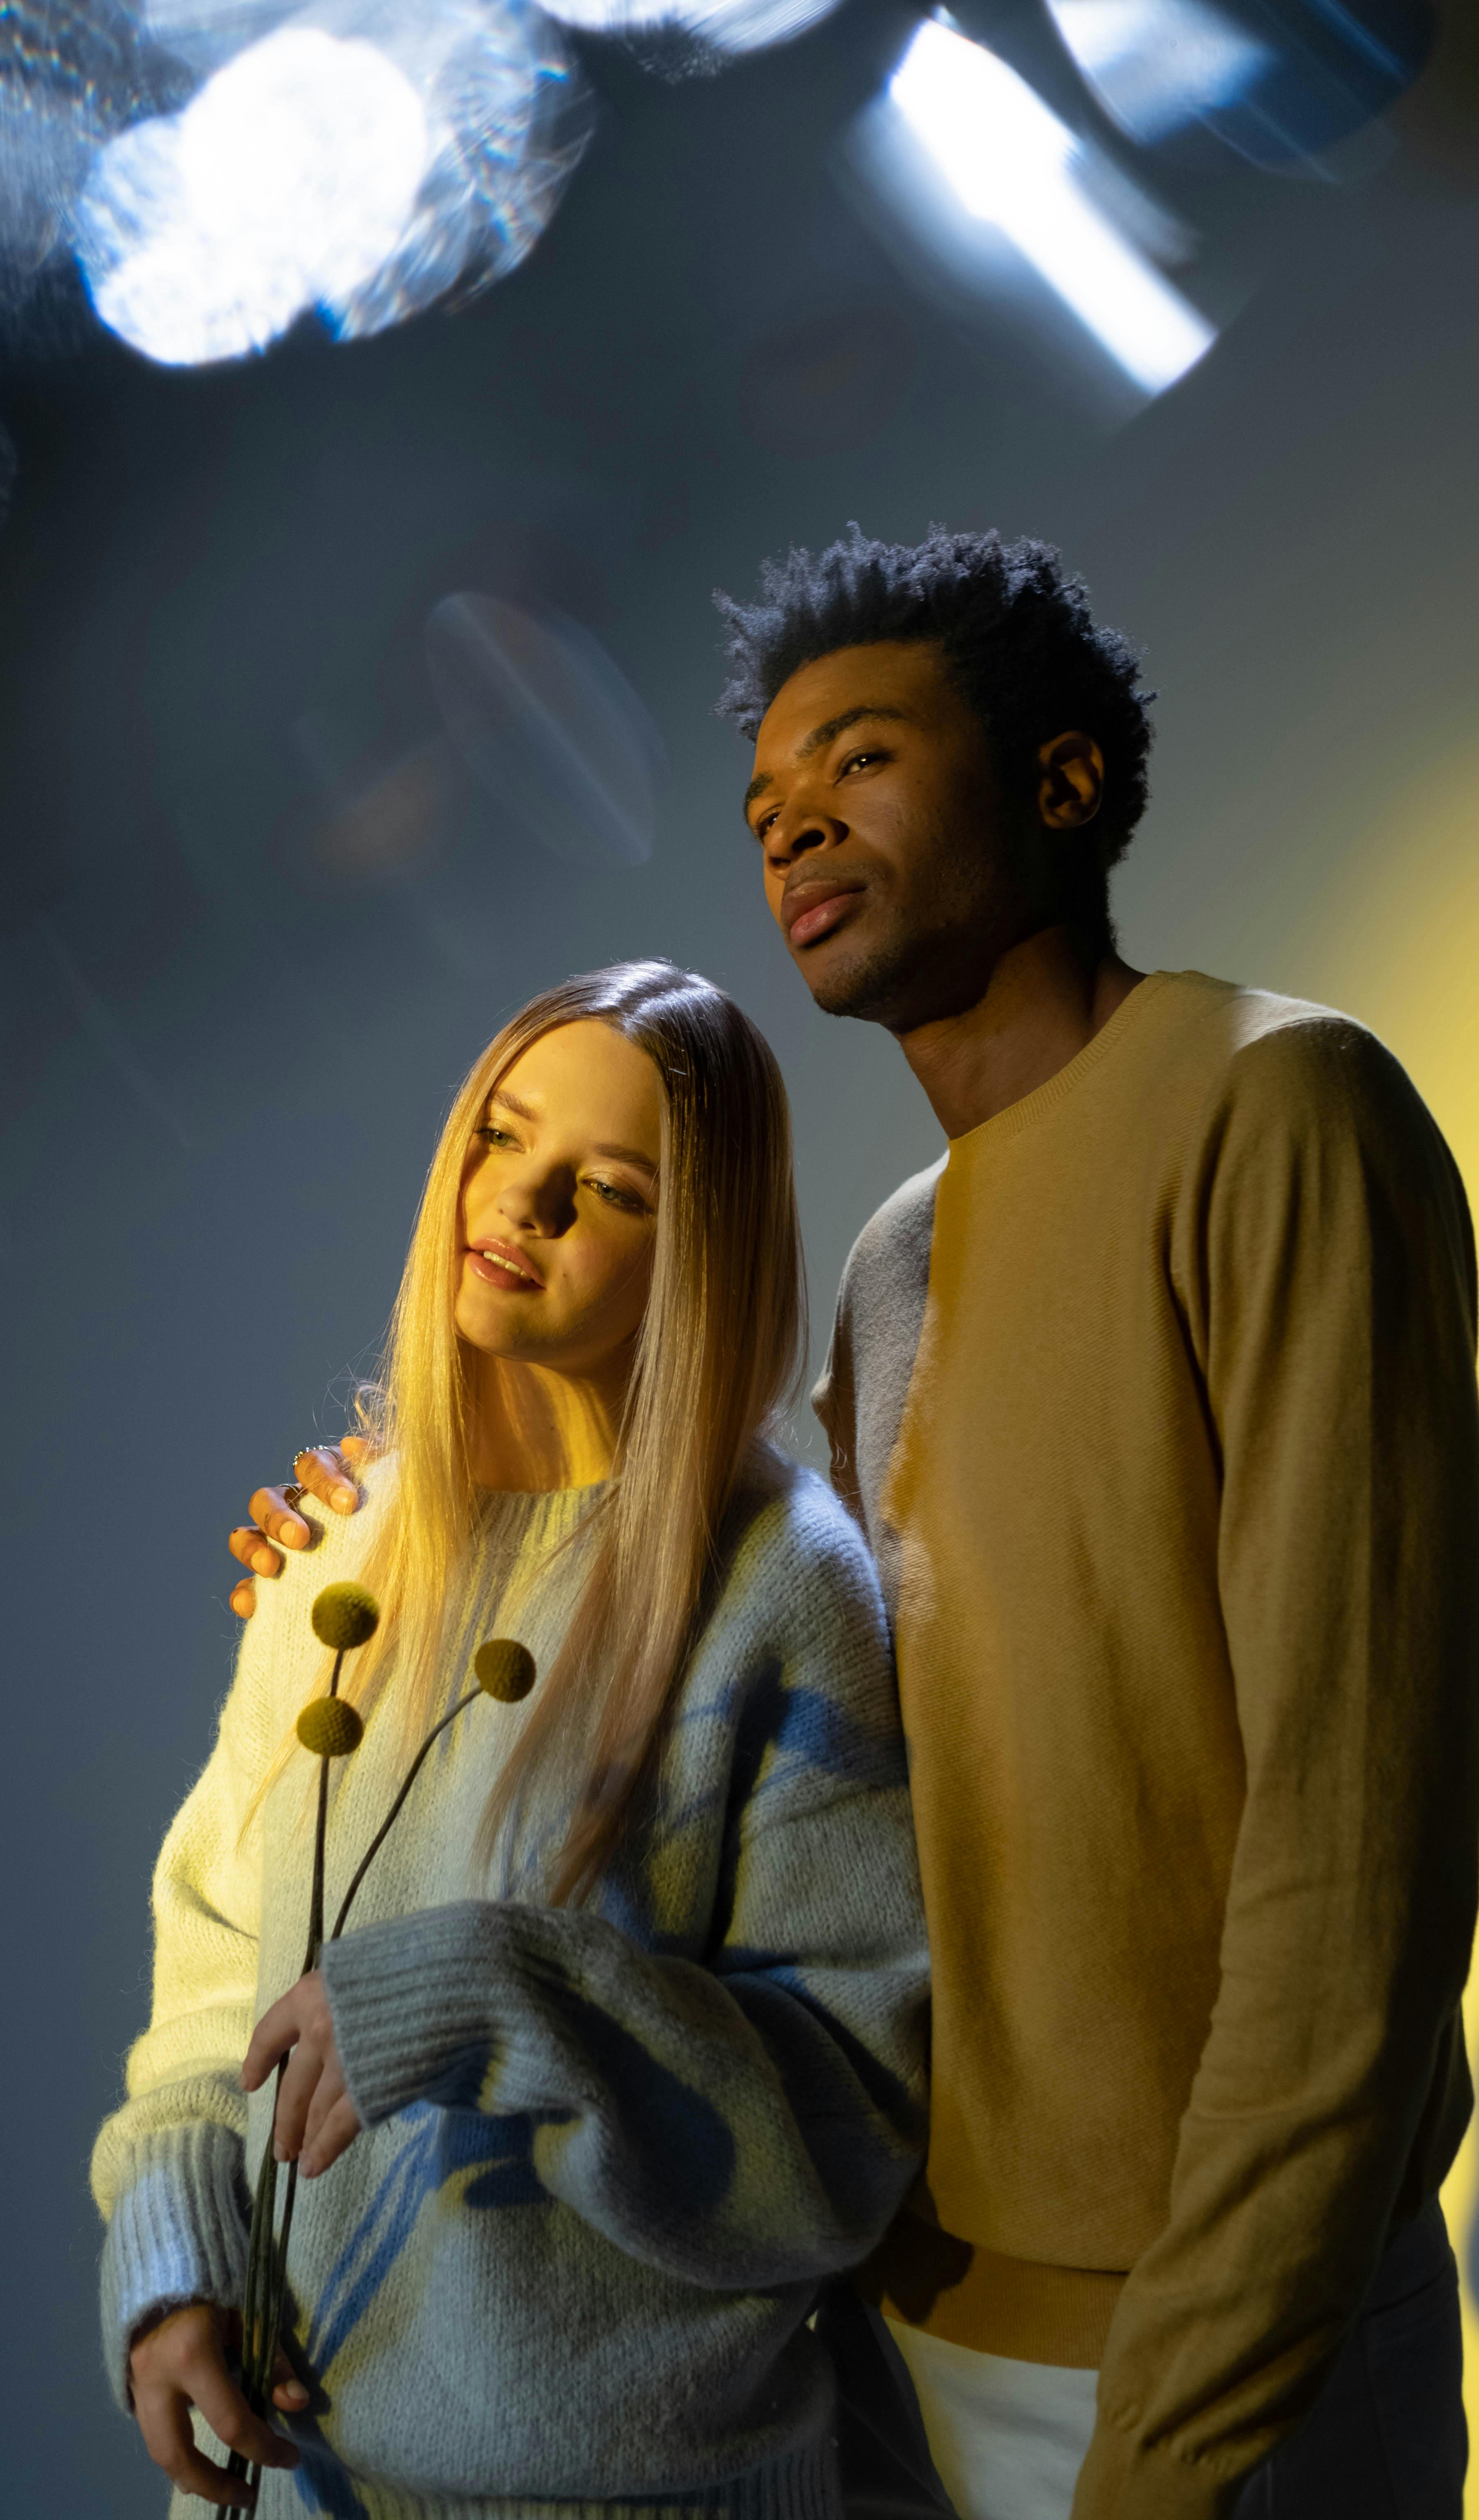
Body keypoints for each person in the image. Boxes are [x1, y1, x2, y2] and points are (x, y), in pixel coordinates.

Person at [238, 528, 1479, 2520]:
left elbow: (1362, 1838)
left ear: (1059, 785)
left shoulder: (1278, 1108)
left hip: (1217, 2362)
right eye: (762, 804)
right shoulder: (893, 1269)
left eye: (861, 763)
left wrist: (1192, 2393)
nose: (794, 827)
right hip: (907, 2350)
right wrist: (392, 1531)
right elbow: (797, 1720)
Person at [93, 959, 933, 2520]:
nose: (523, 1204)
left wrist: (491, 1989)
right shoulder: (344, 1549)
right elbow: (215, 1982)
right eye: (501, 1136)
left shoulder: (780, 1584)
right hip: (295, 2479)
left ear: (701, 1251)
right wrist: (176, 2265)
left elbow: (849, 2117)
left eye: (604, 1188)